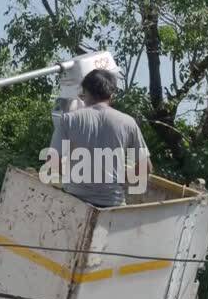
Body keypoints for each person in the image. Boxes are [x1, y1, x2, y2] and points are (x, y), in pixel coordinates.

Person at [49, 69, 153, 208]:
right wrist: (120, 179)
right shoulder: (128, 123)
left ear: (85, 92)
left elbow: (52, 162)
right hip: (112, 205)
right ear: (111, 94)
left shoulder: (69, 119)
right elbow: (145, 167)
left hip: (74, 202)